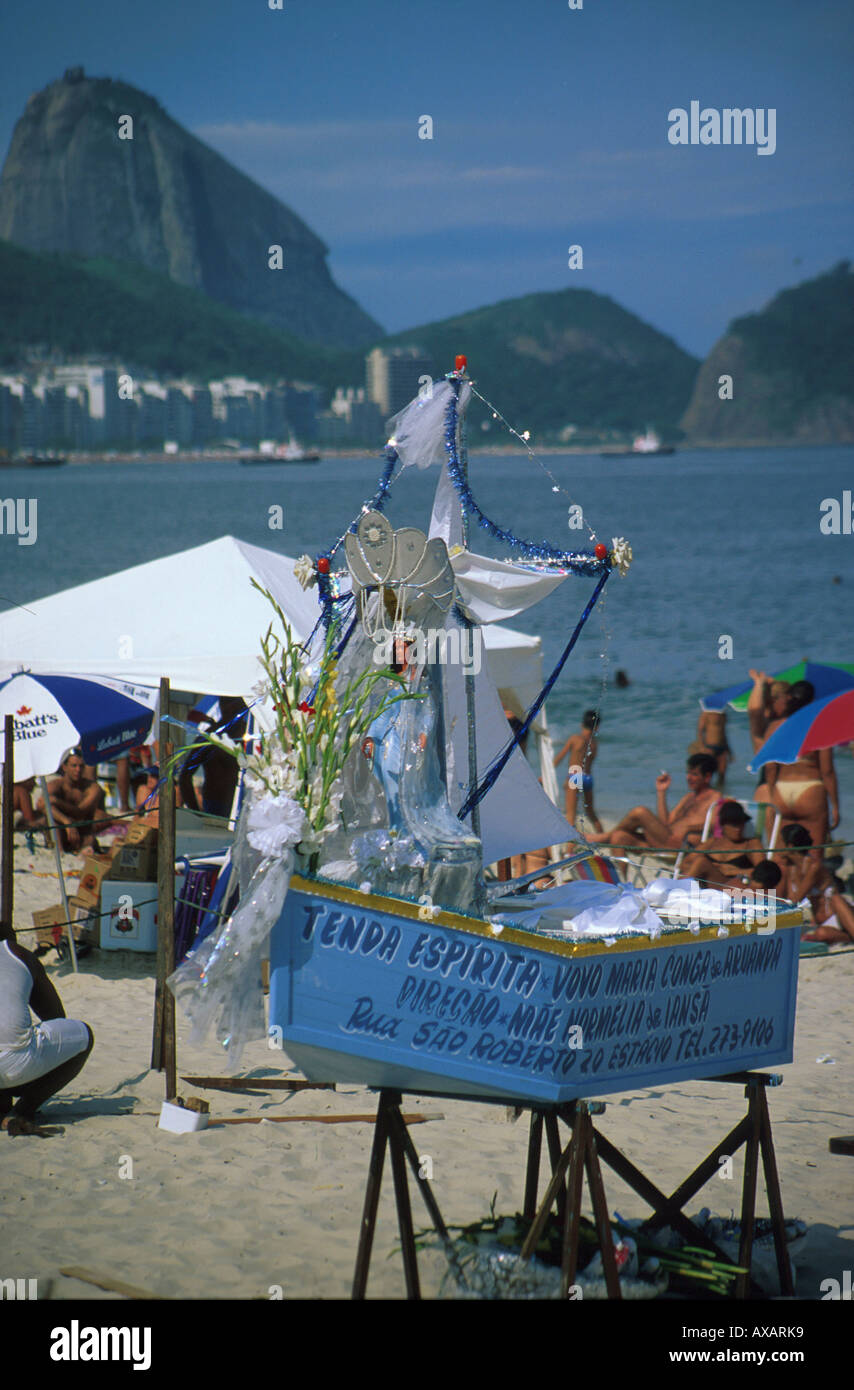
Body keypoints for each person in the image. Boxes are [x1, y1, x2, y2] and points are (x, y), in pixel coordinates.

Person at [0, 920, 94, 1135]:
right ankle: (23, 1110)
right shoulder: (18, 954)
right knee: (84, 1035)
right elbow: (56, 1017)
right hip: (16, 1064)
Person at [750, 677, 839, 849]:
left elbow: (770, 767)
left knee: (781, 854)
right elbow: (827, 771)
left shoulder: (775, 726)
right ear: (812, 701)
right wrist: (835, 806)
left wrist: (772, 792)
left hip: (782, 790)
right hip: (810, 789)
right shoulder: (821, 726)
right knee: (813, 855)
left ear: (789, 698)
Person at [589, 753, 721, 852]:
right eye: (688, 773)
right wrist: (661, 792)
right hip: (664, 841)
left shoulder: (716, 798)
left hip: (683, 848)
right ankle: (620, 885)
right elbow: (666, 823)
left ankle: (602, 838)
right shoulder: (688, 798)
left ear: (707, 777)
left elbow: (717, 824)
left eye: (694, 774)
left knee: (640, 812)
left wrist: (689, 828)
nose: (688, 778)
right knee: (619, 837)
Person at [775, 824, 854, 944]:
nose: (777, 846)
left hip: (840, 914)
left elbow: (796, 899)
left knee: (836, 899)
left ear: (790, 845)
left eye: (780, 842)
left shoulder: (814, 866)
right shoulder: (791, 868)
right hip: (824, 922)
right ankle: (848, 938)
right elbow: (789, 900)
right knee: (821, 934)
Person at [178, 697, 248, 818]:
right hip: (216, 805)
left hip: (243, 803)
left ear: (243, 706)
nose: (229, 708)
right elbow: (184, 776)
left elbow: (184, 776)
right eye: (226, 703)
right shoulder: (209, 738)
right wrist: (196, 813)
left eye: (233, 704)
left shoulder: (250, 736)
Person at [679, 800, 764, 886]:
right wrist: (712, 868)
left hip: (734, 890)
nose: (738, 828)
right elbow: (684, 864)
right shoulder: (712, 842)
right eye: (733, 824)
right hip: (710, 889)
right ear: (722, 825)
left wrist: (734, 871)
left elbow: (765, 873)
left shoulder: (751, 844)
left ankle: (675, 890)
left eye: (741, 823)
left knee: (701, 862)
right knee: (701, 863)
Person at [46, 749, 111, 854]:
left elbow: (80, 812)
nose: (78, 770)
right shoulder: (55, 785)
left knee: (90, 841)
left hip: (82, 833)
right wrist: (66, 822)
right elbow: (41, 805)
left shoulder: (92, 788)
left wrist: (57, 802)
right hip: (61, 833)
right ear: (64, 767)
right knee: (52, 817)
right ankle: (59, 851)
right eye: (74, 766)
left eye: (81, 766)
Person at [554, 710, 602, 832]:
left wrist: (546, 774)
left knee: (571, 815)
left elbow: (559, 758)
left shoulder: (575, 739)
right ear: (596, 727)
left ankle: (569, 850)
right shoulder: (594, 744)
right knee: (590, 812)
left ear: (581, 725)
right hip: (588, 778)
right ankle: (604, 840)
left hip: (574, 777)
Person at [689, 709, 731, 787]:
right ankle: (707, 794)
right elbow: (700, 731)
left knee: (722, 775)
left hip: (722, 748)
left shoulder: (723, 714)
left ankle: (720, 792)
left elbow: (724, 732)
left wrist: (729, 751)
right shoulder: (706, 713)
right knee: (707, 775)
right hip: (709, 747)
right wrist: (702, 746)